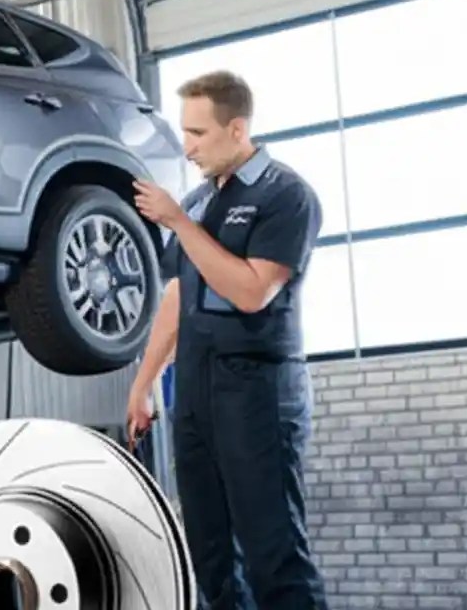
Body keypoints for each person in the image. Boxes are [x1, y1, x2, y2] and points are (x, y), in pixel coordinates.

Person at [126, 70, 329, 610]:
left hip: (257, 392)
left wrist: (176, 221)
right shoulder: (196, 201)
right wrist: (143, 384)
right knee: (211, 558)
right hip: (195, 390)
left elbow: (252, 291)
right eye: (185, 133)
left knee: (274, 555)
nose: (187, 146)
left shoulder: (286, 195)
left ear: (237, 129)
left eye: (198, 134)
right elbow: (177, 295)